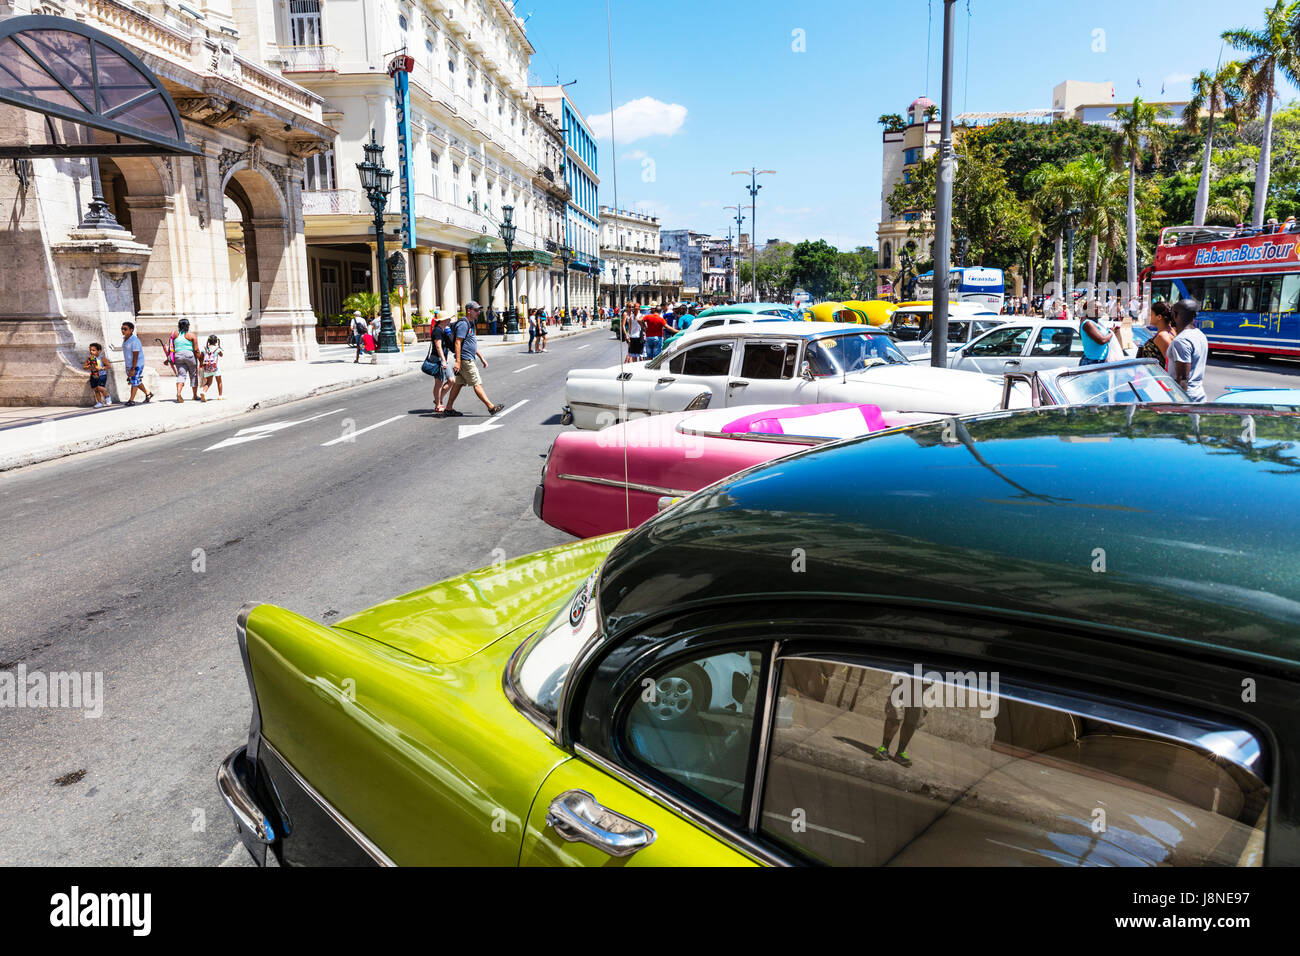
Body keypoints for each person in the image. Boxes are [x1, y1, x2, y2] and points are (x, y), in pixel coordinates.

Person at [443, 301, 504, 417]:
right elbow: (457, 342)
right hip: (465, 360)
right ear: (469, 311)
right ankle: (491, 407)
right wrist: (458, 362)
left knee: (458, 384)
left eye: (479, 310)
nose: (478, 312)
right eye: (476, 310)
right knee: (477, 383)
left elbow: (471, 343)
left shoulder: (470, 323)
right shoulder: (464, 324)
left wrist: (481, 357)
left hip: (466, 358)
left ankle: (449, 408)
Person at [1168, 298, 1208, 402]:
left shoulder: (1181, 340)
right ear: (1194, 316)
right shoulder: (1200, 335)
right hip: (1199, 395)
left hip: (1187, 399)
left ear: (1175, 315)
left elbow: (1182, 379)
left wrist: (1179, 405)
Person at [429, 309, 456, 413]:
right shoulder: (437, 331)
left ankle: (438, 400)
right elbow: (438, 346)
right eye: (448, 318)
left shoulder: (444, 330)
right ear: (444, 320)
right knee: (439, 382)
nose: (450, 320)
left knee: (451, 380)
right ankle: (438, 404)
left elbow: (450, 345)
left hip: (442, 359)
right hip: (438, 359)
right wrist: (443, 361)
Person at [169, 318, 200, 402]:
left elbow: (171, 347)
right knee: (193, 375)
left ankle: (179, 393)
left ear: (179, 326)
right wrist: (201, 359)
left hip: (178, 355)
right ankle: (194, 395)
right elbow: (196, 349)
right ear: (188, 325)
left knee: (181, 375)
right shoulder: (191, 335)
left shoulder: (174, 334)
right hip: (190, 355)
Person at [120, 321, 151, 405]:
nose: (123, 330)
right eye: (122, 329)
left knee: (134, 381)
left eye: (125, 329)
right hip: (129, 364)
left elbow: (136, 355)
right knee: (136, 381)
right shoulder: (125, 339)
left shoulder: (134, 341)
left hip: (137, 364)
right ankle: (148, 394)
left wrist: (133, 368)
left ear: (131, 330)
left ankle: (131, 400)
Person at [1140, 301, 1176, 365]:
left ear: (1159, 317)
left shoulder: (1163, 336)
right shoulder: (1170, 330)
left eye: (1151, 315)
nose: (1149, 317)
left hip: (1158, 373)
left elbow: (1171, 363)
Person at [83, 342, 112, 407]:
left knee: (100, 388)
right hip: (93, 376)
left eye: (93, 350)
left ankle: (107, 397)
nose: (91, 352)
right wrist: (88, 367)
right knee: (96, 389)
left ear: (99, 351)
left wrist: (101, 368)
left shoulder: (102, 359)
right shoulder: (89, 359)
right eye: (90, 350)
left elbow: (108, 366)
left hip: (102, 375)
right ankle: (99, 402)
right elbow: (84, 367)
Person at [199, 334, 224, 401]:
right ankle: (220, 396)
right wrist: (219, 348)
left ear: (208, 341)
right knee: (219, 381)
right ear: (216, 342)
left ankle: (203, 392)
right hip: (215, 367)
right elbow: (221, 355)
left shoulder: (204, 348)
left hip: (207, 367)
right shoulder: (217, 349)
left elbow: (201, 357)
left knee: (209, 382)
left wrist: (201, 366)